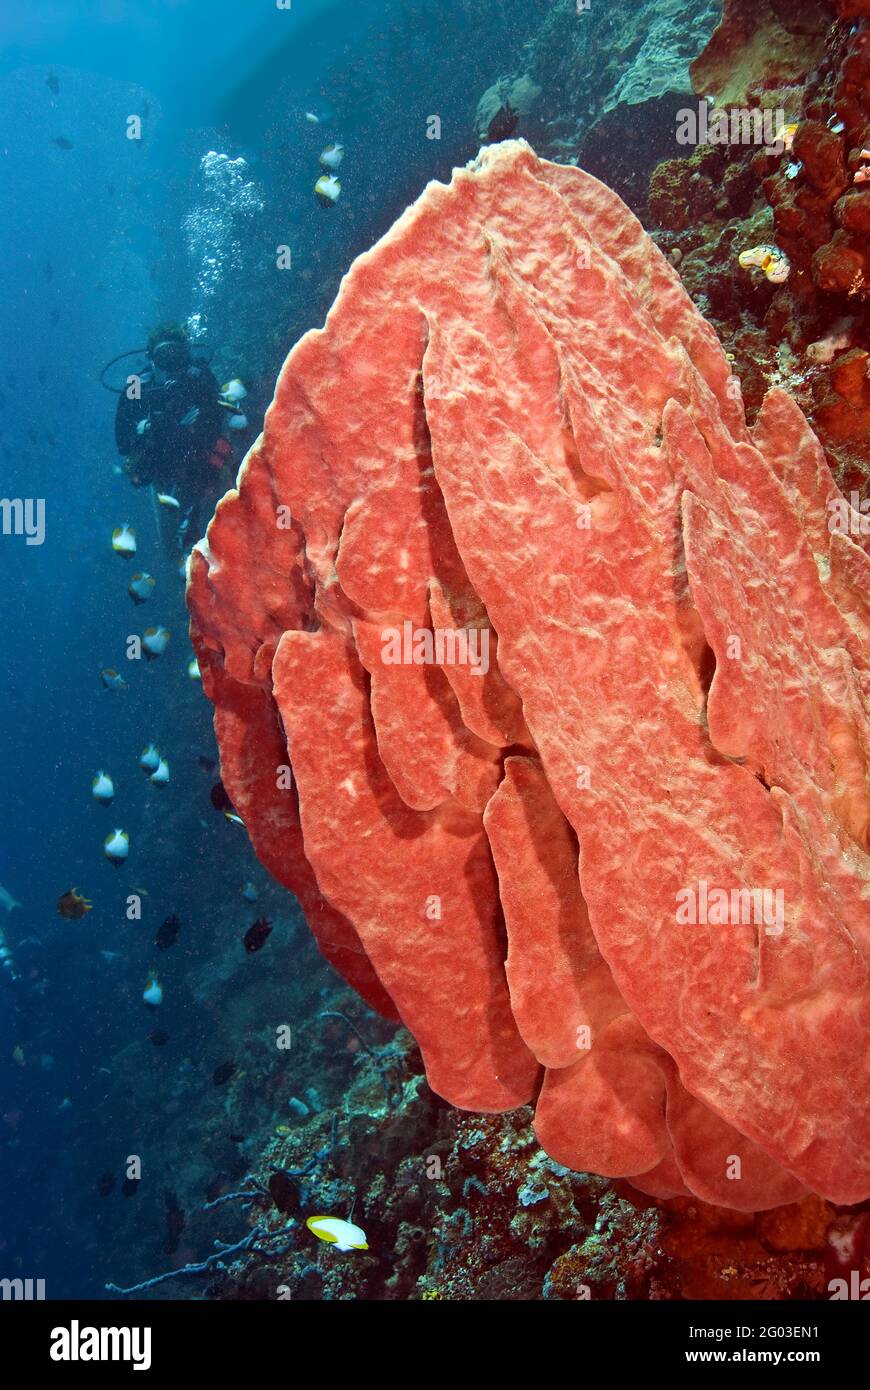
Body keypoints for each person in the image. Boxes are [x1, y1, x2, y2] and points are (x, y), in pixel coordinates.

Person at [115, 324, 232, 556]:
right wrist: (150, 428)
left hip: (204, 470)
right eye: (163, 355)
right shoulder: (138, 385)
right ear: (150, 357)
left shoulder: (199, 377)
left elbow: (220, 424)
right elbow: (123, 441)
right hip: (161, 475)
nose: (169, 363)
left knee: (225, 534)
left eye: (175, 355)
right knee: (172, 549)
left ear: (186, 354)